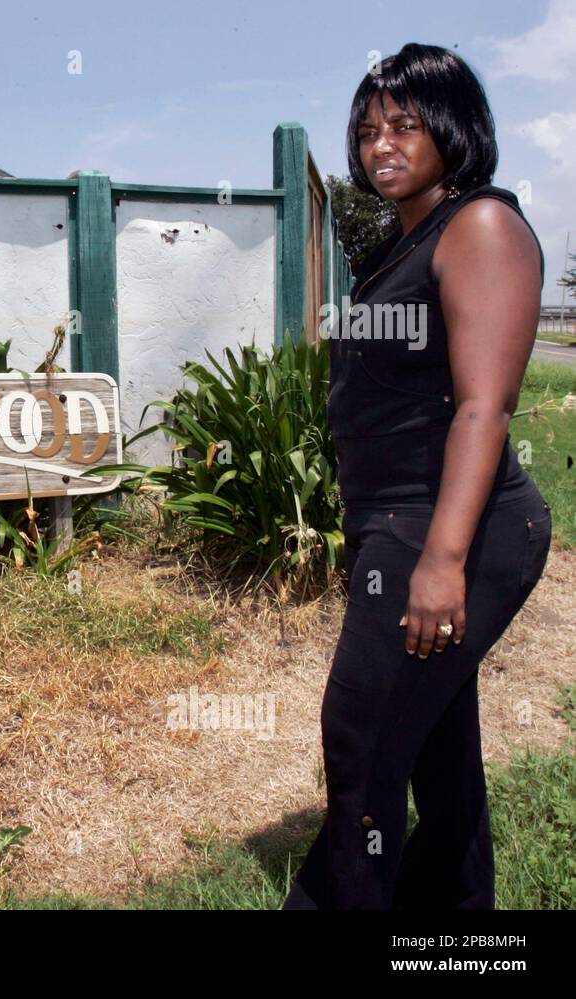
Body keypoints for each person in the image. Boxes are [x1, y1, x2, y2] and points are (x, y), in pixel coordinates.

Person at [282, 42, 551, 910]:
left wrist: (441, 561)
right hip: (399, 525)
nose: (380, 145)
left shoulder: (479, 226)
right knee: (435, 743)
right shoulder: (407, 243)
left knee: (359, 743)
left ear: (454, 129)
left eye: (404, 125)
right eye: (367, 131)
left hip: (450, 527)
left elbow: (483, 407)